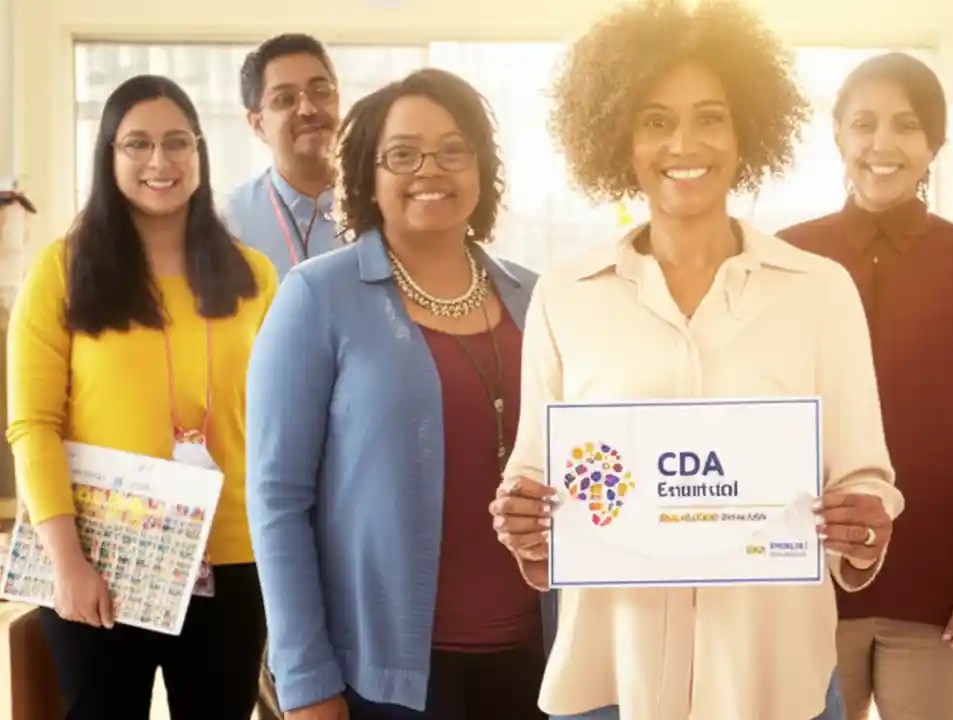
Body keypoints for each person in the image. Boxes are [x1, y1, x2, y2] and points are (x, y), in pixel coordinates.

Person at [488, 2, 901, 719]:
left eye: (710, 117)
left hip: (772, 684)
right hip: (611, 682)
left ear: (745, 132)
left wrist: (863, 529)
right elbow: (537, 475)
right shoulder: (566, 295)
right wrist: (525, 524)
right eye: (656, 120)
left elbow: (864, 478)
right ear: (619, 137)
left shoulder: (819, 293)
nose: (684, 143)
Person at [245, 68, 552, 720]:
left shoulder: (539, 298)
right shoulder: (316, 297)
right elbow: (277, 499)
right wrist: (305, 680)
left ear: (481, 167)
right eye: (403, 154)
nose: (429, 170)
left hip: (540, 662)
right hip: (381, 679)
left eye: (453, 150)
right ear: (367, 175)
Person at [776, 52, 953, 720]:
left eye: (906, 125)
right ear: (838, 135)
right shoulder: (785, 259)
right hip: (805, 585)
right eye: (864, 123)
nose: (883, 143)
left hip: (941, 591)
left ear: (934, 143)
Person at [5, 74, 276, 719]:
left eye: (178, 142)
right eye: (138, 144)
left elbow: (280, 424)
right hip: (102, 555)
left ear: (200, 153)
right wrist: (67, 563)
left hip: (232, 558)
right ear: (110, 155)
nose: (161, 161)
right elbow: (32, 425)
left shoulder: (254, 275)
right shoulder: (62, 270)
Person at [225, 33, 344, 277]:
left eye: (321, 91)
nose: (308, 109)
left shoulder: (379, 203)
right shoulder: (230, 222)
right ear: (258, 124)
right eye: (285, 99)